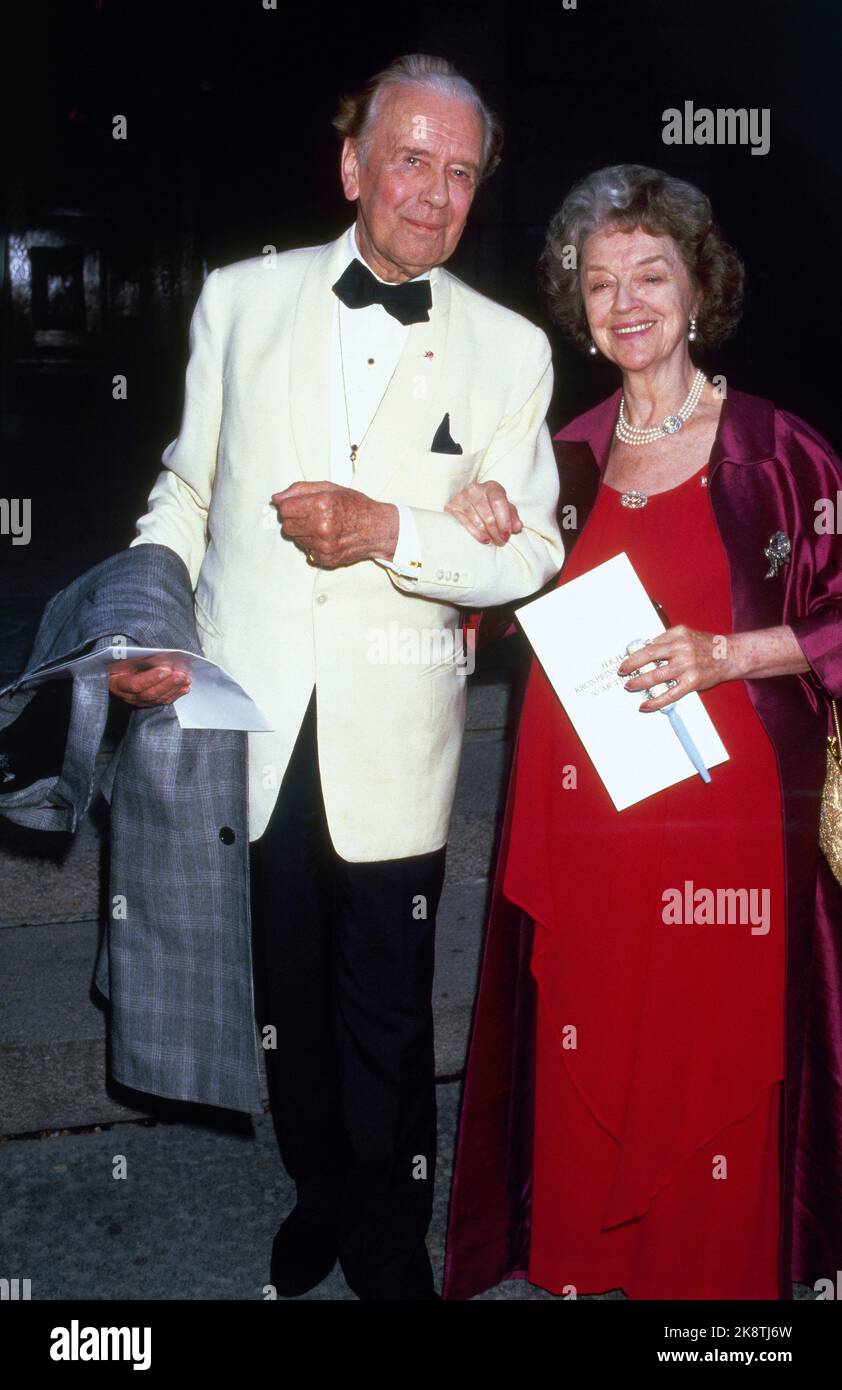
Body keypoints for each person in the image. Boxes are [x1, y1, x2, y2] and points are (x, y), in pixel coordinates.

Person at [107, 53, 564, 1301]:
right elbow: (185, 491)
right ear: (353, 164)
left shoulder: (511, 349)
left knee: (389, 1012)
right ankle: (317, 1190)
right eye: (410, 158)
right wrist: (147, 622)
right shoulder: (237, 302)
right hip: (249, 720)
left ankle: (387, 1232)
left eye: (460, 171)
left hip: (393, 732)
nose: (433, 191)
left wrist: (394, 534)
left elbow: (530, 546)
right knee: (290, 1002)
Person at [442, 164, 842, 1301]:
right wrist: (476, 526)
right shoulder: (557, 453)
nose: (623, 303)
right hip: (588, 832)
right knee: (591, 1037)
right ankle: (590, 1260)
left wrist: (731, 653)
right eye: (598, 282)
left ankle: (708, 1289)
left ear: (696, 289)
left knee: (704, 1064)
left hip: (723, 841)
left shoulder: (774, 449)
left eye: (648, 276)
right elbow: (481, 604)